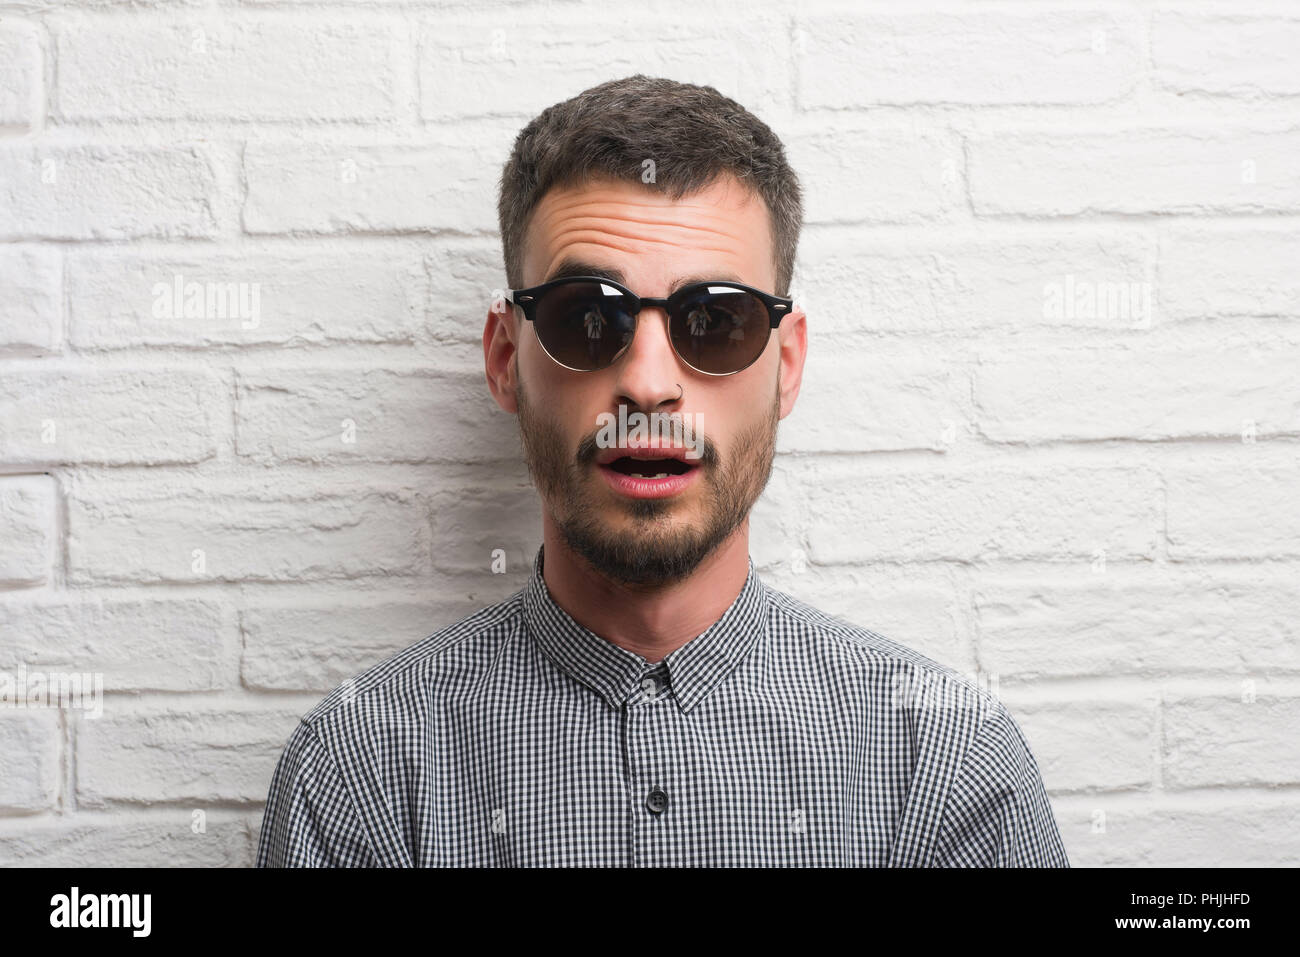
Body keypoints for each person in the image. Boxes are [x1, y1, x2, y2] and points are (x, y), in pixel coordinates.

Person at [256, 74, 1069, 868]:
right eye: (587, 316)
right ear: (507, 359)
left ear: (786, 367)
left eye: (715, 321)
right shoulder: (361, 773)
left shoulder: (946, 763)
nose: (648, 382)